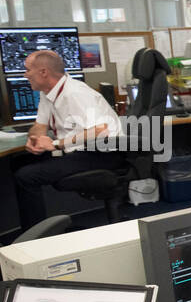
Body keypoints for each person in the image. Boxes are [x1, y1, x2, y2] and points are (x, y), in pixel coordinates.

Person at [14, 50, 122, 229]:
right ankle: (35, 230)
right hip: (78, 151)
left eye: (27, 70)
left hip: (101, 153)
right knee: (18, 162)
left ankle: (35, 240)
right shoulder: (48, 92)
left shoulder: (75, 93)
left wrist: (55, 143)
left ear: (43, 72)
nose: (25, 75)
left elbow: (101, 130)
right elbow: (40, 124)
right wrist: (35, 139)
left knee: (26, 176)